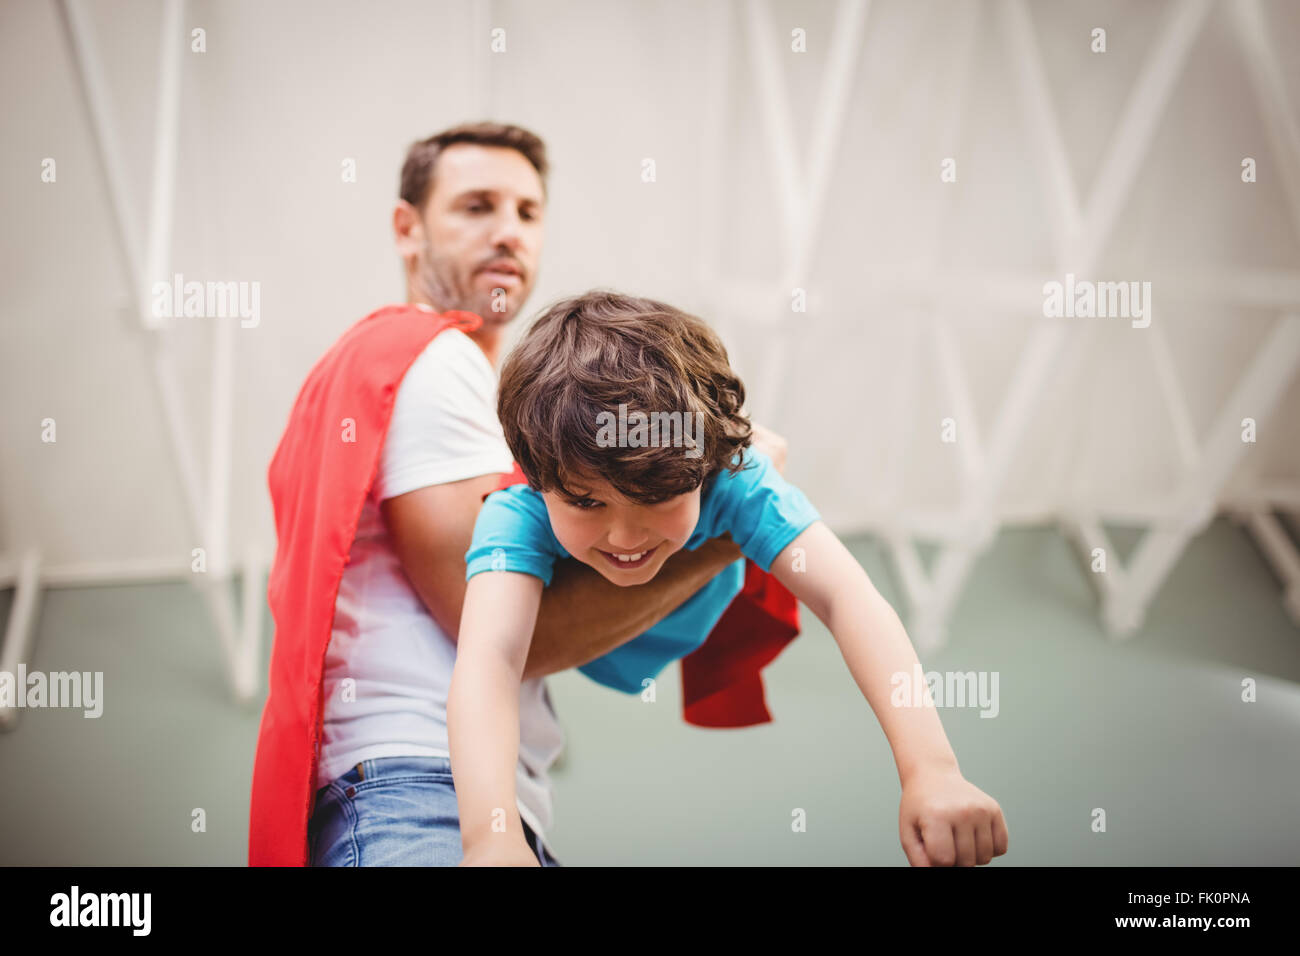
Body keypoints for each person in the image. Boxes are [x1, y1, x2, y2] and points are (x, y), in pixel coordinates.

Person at [247, 123, 786, 866]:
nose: (509, 230)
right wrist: (734, 519)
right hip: (418, 790)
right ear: (406, 229)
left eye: (528, 212)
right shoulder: (434, 359)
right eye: (477, 206)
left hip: (440, 802)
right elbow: (509, 634)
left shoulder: (474, 394)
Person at [449, 290, 1010, 867]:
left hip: (686, 583)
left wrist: (932, 770)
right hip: (573, 643)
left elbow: (847, 597)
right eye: (587, 503)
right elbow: (492, 661)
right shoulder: (518, 510)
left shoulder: (735, 480)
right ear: (537, 479)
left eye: (658, 496)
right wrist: (491, 837)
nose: (624, 537)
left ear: (704, 466)